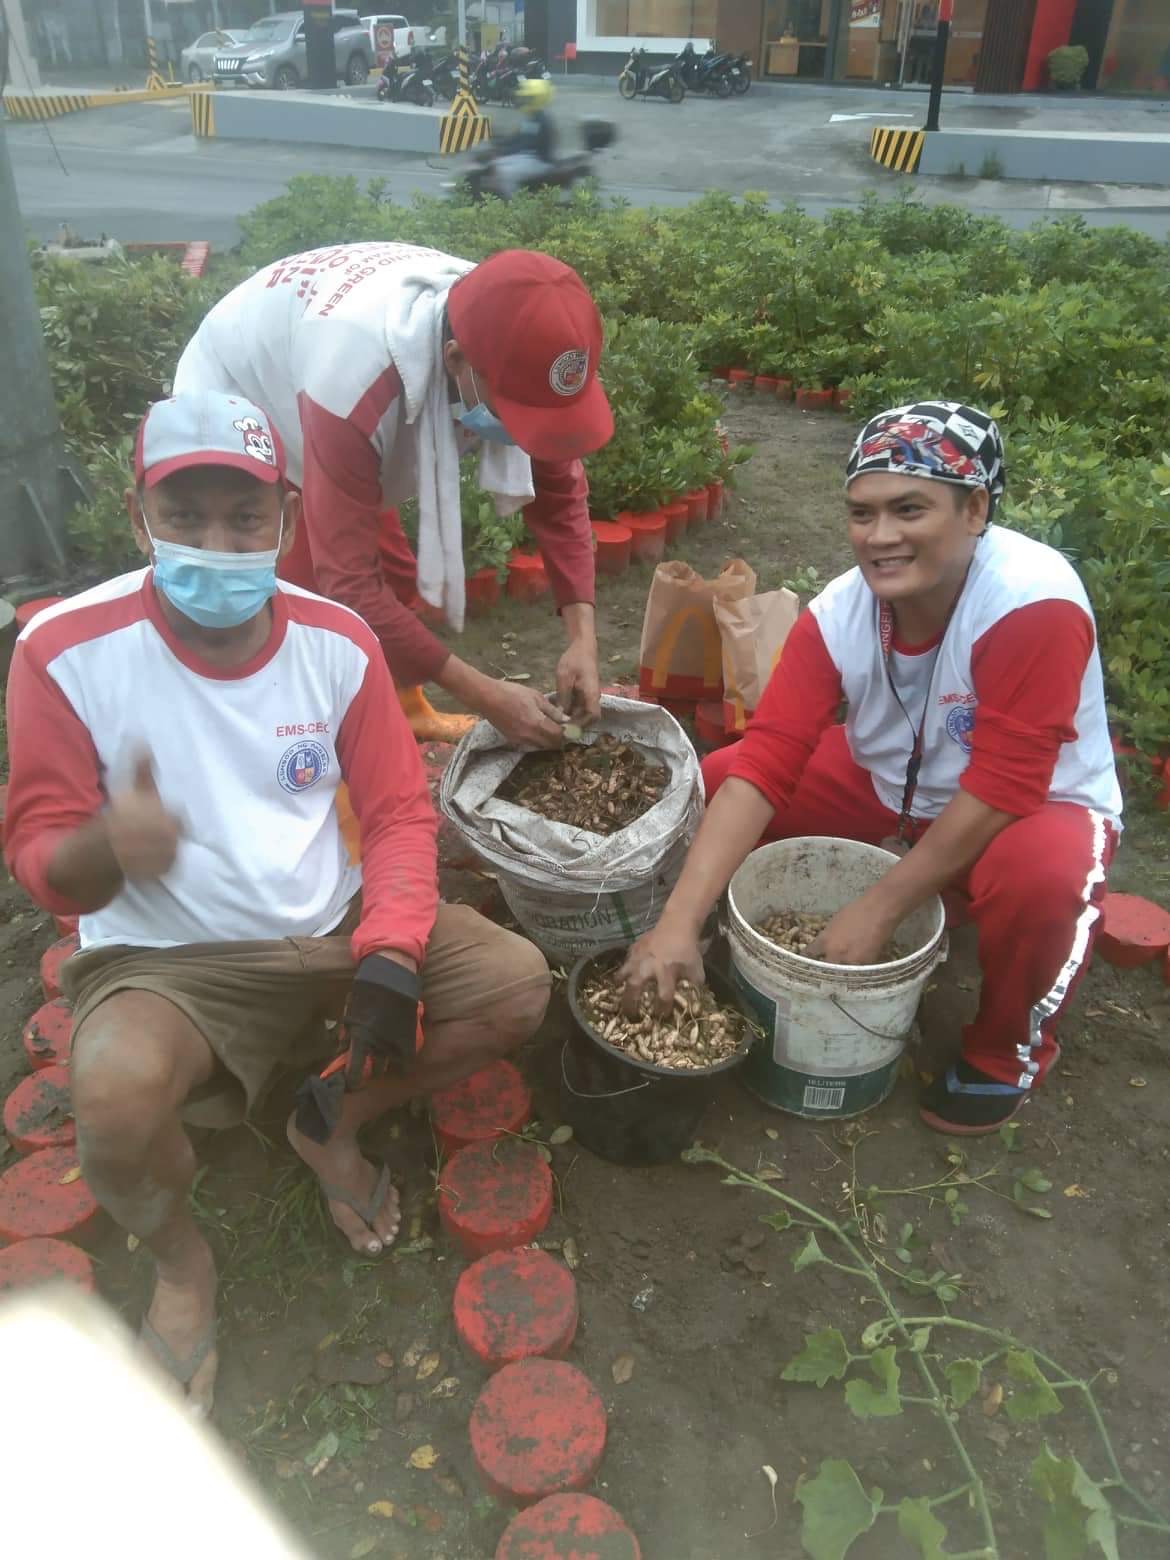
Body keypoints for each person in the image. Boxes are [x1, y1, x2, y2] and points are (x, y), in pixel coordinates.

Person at [3, 392, 551, 1414]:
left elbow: (394, 815)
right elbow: (37, 853)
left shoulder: (337, 641)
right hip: (170, 961)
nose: (219, 542)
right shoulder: (63, 651)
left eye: (244, 518)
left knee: (514, 988)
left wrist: (387, 948)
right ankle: (180, 1267)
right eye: (187, 515)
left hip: (327, 921)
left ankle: (329, 1121)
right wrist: (102, 851)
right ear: (140, 520)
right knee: (114, 1100)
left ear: (287, 518)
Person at [621, 401, 1122, 1135]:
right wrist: (675, 922)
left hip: (1033, 804)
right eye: (862, 514)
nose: (879, 537)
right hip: (894, 785)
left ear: (975, 507)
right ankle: (708, 941)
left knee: (1045, 879)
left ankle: (1005, 1048)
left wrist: (879, 908)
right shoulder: (841, 614)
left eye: (909, 510)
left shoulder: (1029, 602)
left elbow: (1006, 785)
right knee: (726, 775)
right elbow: (767, 760)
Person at [174, 244, 612, 748]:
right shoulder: (353, 382)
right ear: (455, 361)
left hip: (315, 375)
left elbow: (558, 493)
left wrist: (584, 640)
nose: (527, 433)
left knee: (397, 576)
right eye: (516, 411)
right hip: (242, 399)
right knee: (303, 620)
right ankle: (309, 761)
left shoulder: (515, 329)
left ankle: (406, 711)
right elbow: (349, 586)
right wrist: (487, 695)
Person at [489, 77, 559, 197]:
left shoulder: (541, 121)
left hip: (539, 161)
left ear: (537, 99)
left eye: (528, 98)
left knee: (503, 171)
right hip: (529, 157)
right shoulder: (532, 117)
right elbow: (518, 138)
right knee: (496, 164)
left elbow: (524, 144)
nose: (525, 101)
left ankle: (512, 203)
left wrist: (504, 151)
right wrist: (501, 143)